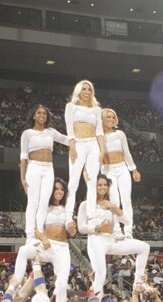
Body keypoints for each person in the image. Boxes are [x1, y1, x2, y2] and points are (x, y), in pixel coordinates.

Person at [13, 179, 72, 302]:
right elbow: (36, 228)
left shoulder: (68, 208)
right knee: (24, 250)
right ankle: (15, 285)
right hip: (46, 245)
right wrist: (44, 238)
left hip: (62, 248)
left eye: (61, 189)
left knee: (62, 283)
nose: (59, 191)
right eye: (56, 188)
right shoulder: (44, 207)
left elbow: (72, 230)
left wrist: (72, 227)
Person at [78, 175, 150, 296]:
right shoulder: (86, 204)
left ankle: (138, 283)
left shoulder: (110, 204)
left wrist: (113, 207)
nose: (102, 187)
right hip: (97, 240)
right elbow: (81, 228)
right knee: (100, 275)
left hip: (112, 240)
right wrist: (97, 228)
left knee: (144, 247)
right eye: (99, 185)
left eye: (105, 185)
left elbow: (126, 221)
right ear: (93, 187)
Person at [19, 105, 69, 245]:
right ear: (34, 116)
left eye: (44, 113)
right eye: (39, 113)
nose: (42, 115)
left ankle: (39, 232)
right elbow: (23, 157)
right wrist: (23, 178)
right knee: (33, 202)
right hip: (34, 167)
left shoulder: (51, 132)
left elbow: (66, 140)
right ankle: (30, 234)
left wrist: (84, 137)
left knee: (43, 203)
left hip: (48, 169)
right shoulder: (27, 133)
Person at [64, 79, 105, 230]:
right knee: (73, 182)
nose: (87, 92)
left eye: (89, 89)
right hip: (78, 144)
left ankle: (92, 217)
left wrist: (102, 151)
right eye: (84, 89)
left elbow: (99, 132)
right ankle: (68, 217)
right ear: (78, 91)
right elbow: (69, 128)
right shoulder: (71, 107)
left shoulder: (96, 109)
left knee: (92, 181)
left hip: (93, 145)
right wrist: (72, 145)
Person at [101, 108, 140, 239]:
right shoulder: (99, 137)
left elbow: (127, 153)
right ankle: (116, 230)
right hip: (107, 170)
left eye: (113, 117)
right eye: (108, 117)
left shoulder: (120, 134)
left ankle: (128, 230)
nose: (111, 119)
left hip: (122, 168)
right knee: (114, 200)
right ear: (102, 119)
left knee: (126, 199)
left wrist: (133, 169)